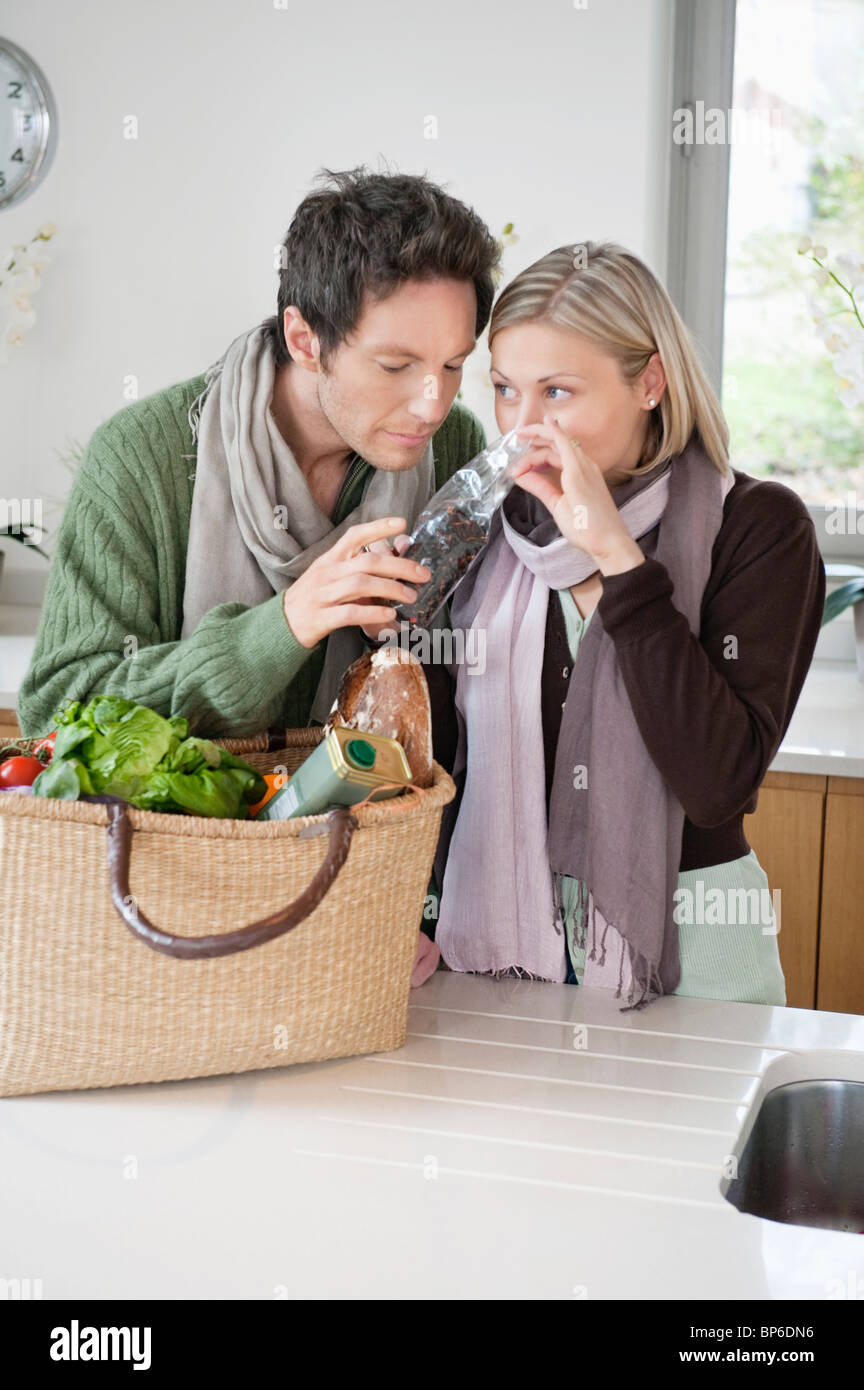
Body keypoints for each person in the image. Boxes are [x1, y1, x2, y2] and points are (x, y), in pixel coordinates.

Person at [18, 166, 500, 985]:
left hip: (367, 909)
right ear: (305, 337)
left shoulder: (452, 451)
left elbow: (458, 715)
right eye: (395, 365)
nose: (431, 402)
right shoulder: (143, 460)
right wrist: (281, 628)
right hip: (166, 919)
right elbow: (61, 712)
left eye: (454, 364)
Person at [418, 240, 826, 1009]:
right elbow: (435, 767)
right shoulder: (477, 531)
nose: (523, 426)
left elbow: (716, 786)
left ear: (650, 383)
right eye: (505, 390)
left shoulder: (757, 528)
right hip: (495, 964)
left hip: (691, 958)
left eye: (559, 393)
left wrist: (614, 555)